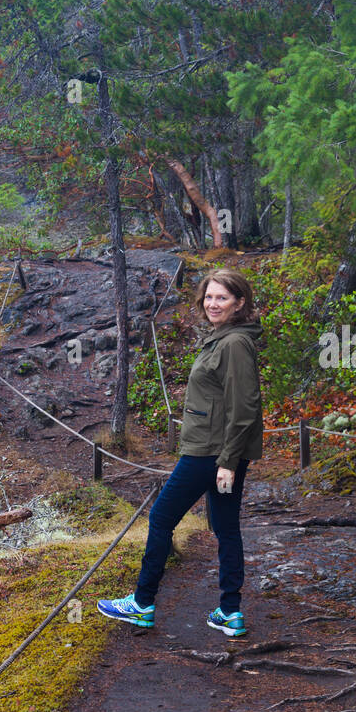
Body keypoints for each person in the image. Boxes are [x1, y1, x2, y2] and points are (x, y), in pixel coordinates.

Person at [97, 268, 264, 638]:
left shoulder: (235, 343)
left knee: (160, 517)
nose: (213, 303)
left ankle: (141, 605)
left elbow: (246, 406)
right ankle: (230, 613)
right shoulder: (224, 338)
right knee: (225, 526)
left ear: (240, 302)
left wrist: (227, 462)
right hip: (215, 452)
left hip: (210, 454)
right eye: (209, 296)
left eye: (222, 297)